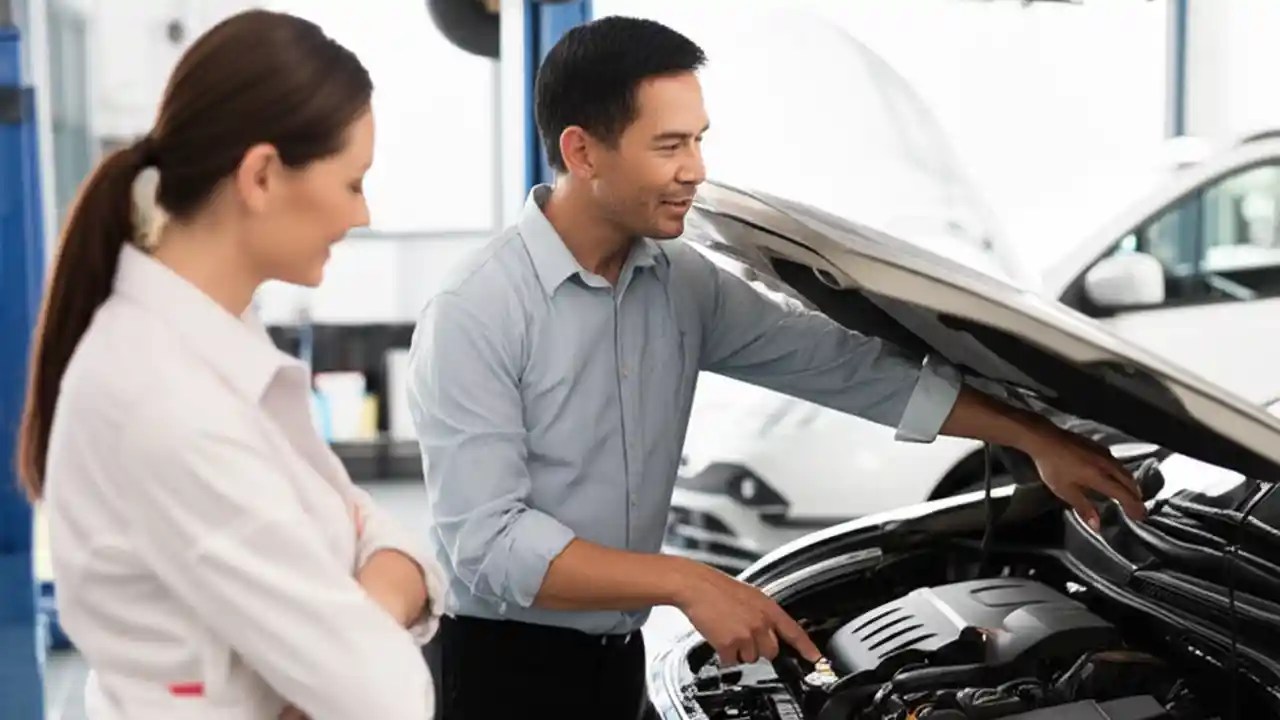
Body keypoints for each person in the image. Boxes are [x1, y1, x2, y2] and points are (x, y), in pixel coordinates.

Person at [407, 15, 1146, 720]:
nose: (695, 170)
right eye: (668, 146)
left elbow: (846, 366)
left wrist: (1033, 436)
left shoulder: (680, 282)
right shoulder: (477, 310)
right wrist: (687, 583)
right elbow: (489, 546)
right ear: (582, 152)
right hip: (502, 671)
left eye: (698, 140)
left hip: (618, 659)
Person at [16, 10, 444, 720]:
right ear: (263, 175)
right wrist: (364, 632)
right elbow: (389, 696)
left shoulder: (217, 345)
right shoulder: (165, 401)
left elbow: (378, 533)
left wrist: (357, 620)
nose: (362, 214)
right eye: (352, 183)